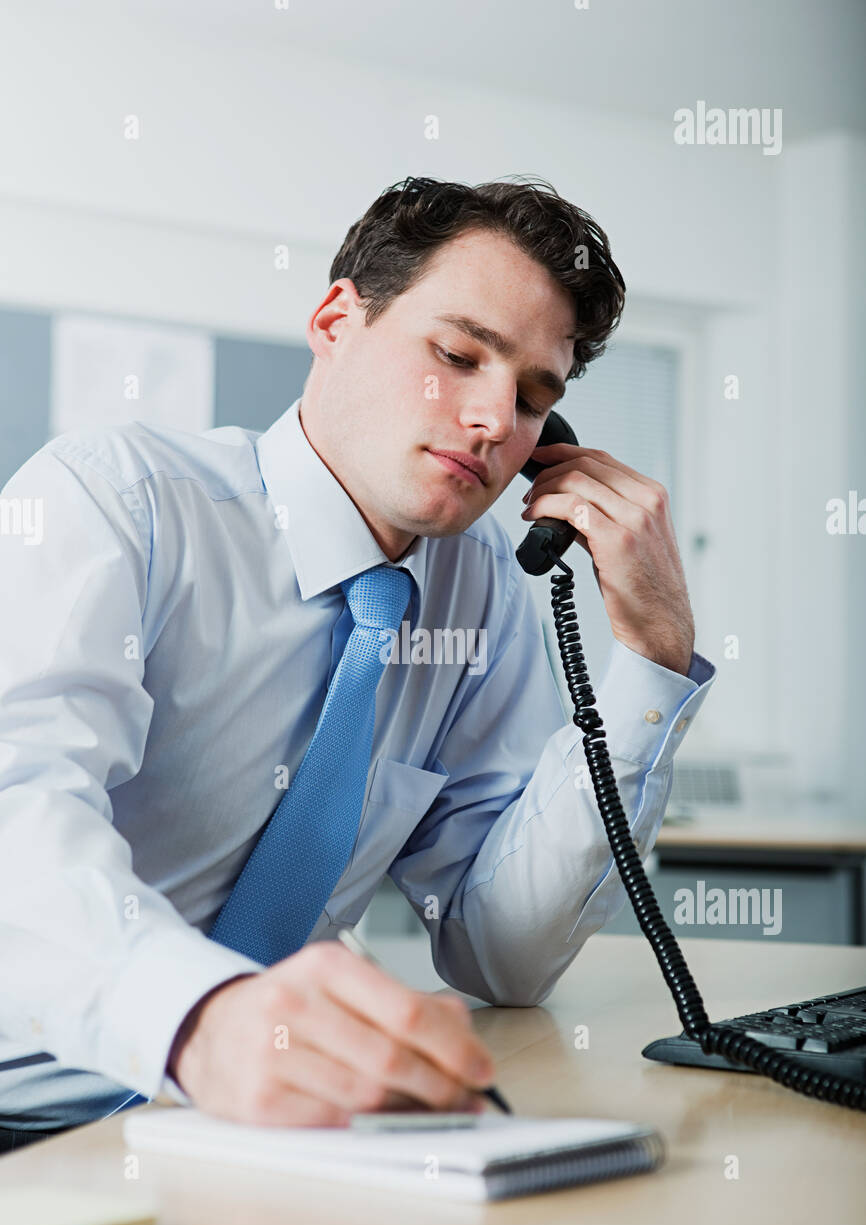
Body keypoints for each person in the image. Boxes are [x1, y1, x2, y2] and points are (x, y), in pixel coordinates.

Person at [0, 175, 714, 1149]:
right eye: (458, 355)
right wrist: (199, 1019)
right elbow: (18, 809)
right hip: (33, 1119)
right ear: (337, 319)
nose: (493, 419)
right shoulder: (115, 500)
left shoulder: (480, 592)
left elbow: (499, 953)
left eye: (534, 397)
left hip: (267, 1133)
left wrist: (650, 657)